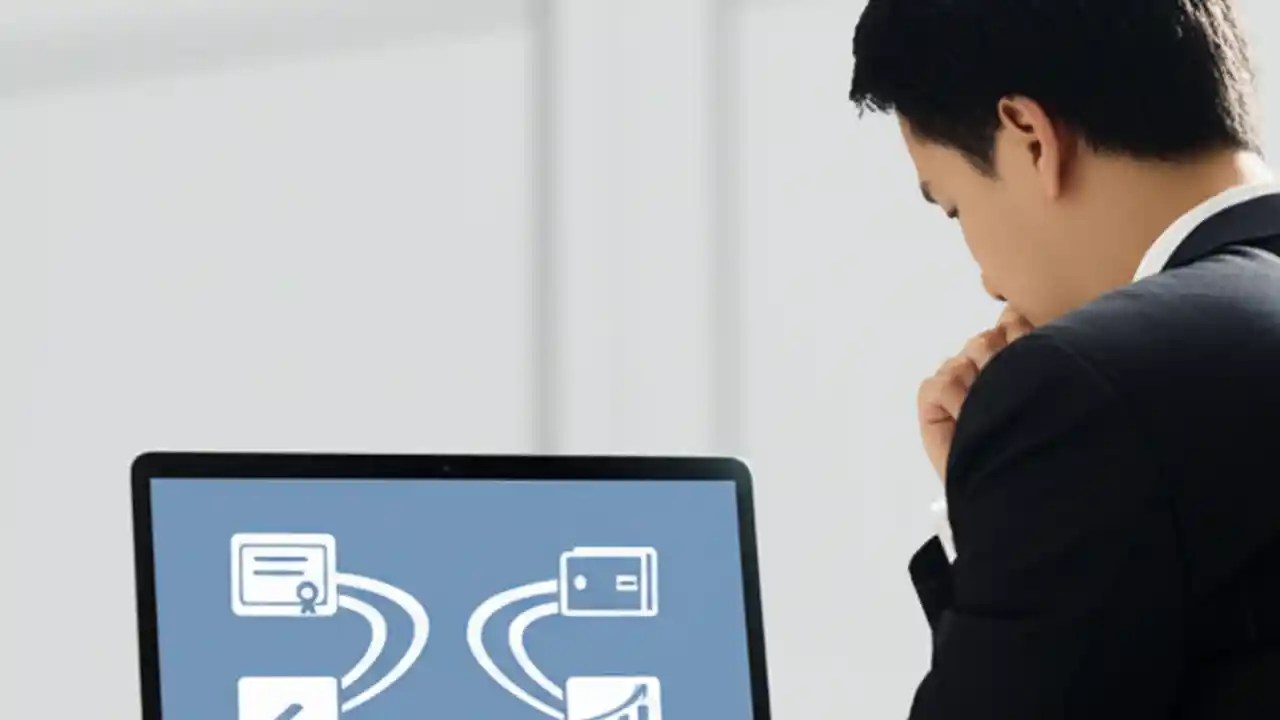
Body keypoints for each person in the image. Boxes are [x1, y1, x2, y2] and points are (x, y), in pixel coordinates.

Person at [849, 0, 1280, 717]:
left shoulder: (1080, 392)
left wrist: (1011, 484)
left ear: (1029, 137)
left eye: (954, 207)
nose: (987, 280)